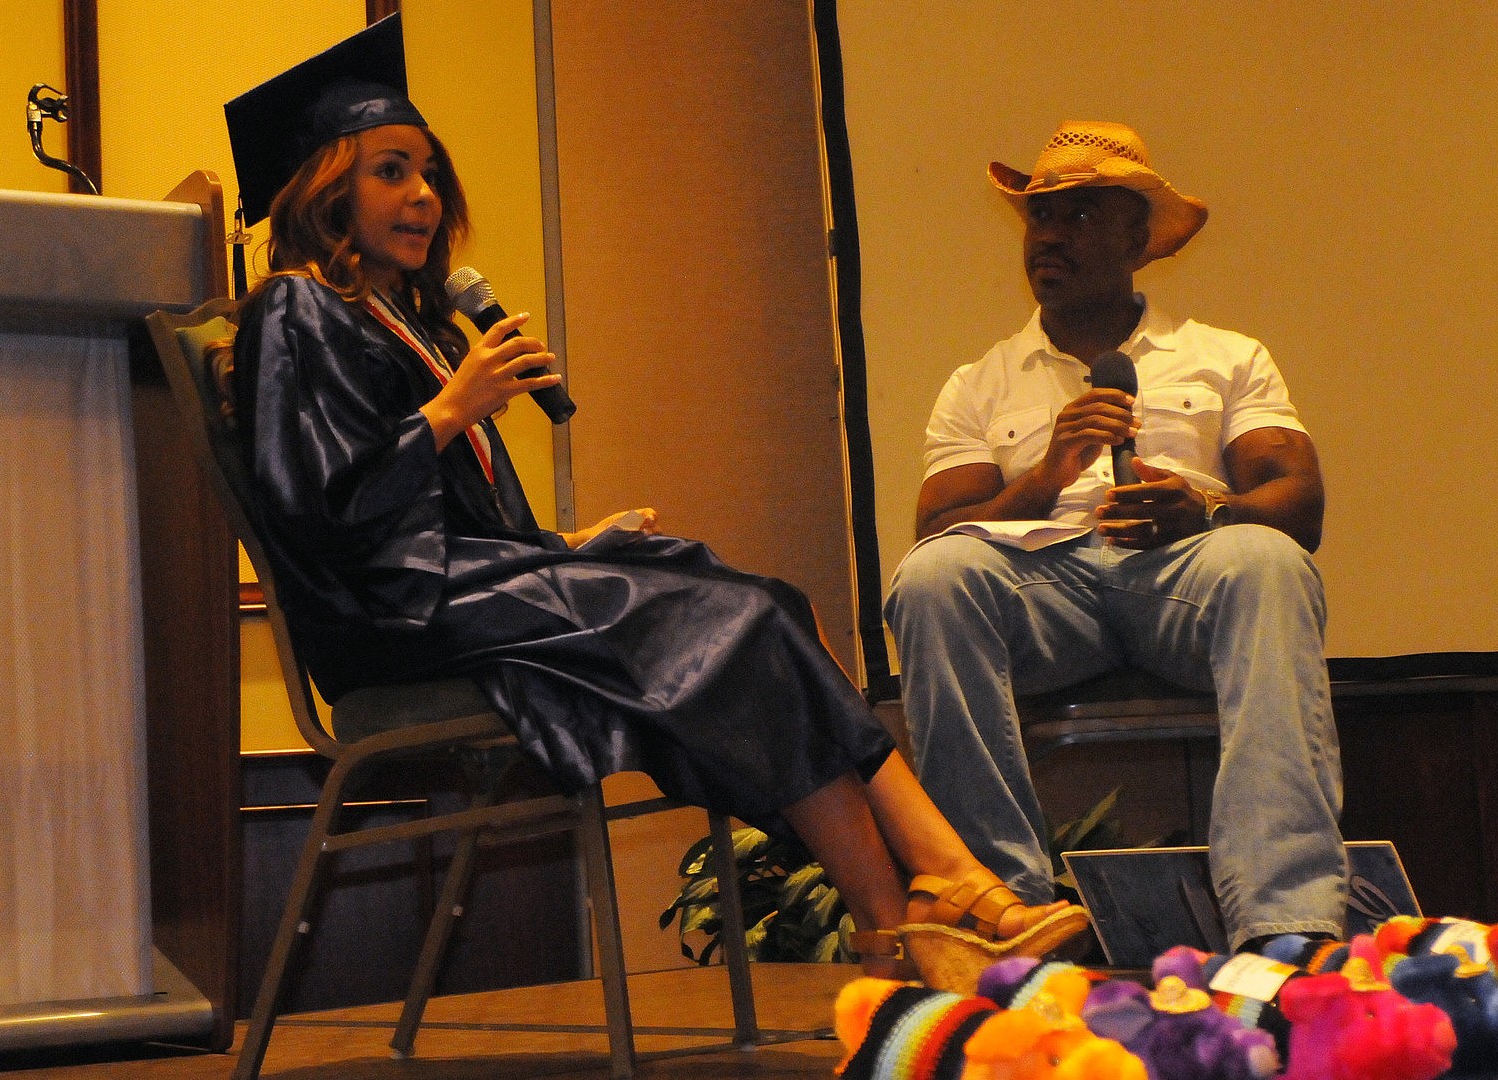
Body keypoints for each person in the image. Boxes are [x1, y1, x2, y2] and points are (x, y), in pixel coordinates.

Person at [219, 15, 1090, 984]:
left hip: (445, 592)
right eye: (390, 170)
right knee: (737, 620)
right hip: (386, 618)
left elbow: (443, 518)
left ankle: (905, 916)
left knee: (762, 603)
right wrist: (452, 408)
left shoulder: (396, 318)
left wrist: (561, 544)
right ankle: (934, 888)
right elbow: (318, 511)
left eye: (428, 172)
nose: (423, 196)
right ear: (322, 186)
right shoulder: (294, 309)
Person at [884, 120, 1348, 954]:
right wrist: (1041, 479)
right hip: (1044, 596)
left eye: (1082, 215)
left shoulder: (1226, 357)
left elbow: (1298, 501)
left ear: (1139, 240)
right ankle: (1004, 908)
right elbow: (935, 531)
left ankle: (1285, 920)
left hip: (1183, 582)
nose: (1050, 236)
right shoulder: (979, 382)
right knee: (934, 578)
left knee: (1268, 562)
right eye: (1040, 217)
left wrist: (1206, 513)